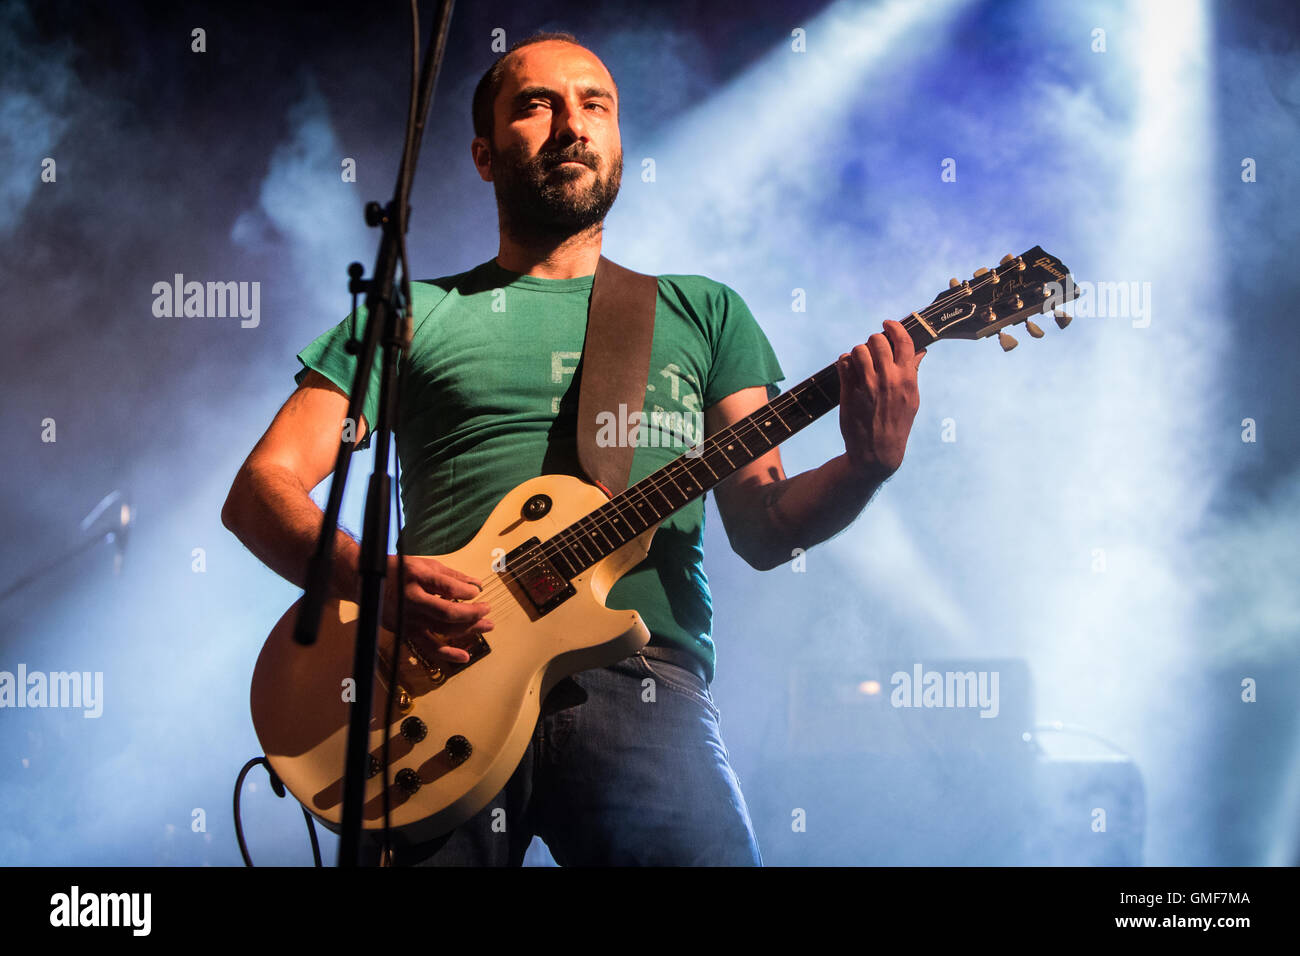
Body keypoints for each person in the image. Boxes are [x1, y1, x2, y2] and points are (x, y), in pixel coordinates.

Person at [221, 31, 925, 866]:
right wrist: (369, 579)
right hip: (427, 693)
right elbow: (261, 489)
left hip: (643, 684)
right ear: (484, 156)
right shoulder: (413, 312)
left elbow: (766, 528)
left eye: (595, 104)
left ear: (620, 141)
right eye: (536, 105)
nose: (572, 125)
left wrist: (865, 466)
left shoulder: (703, 312)